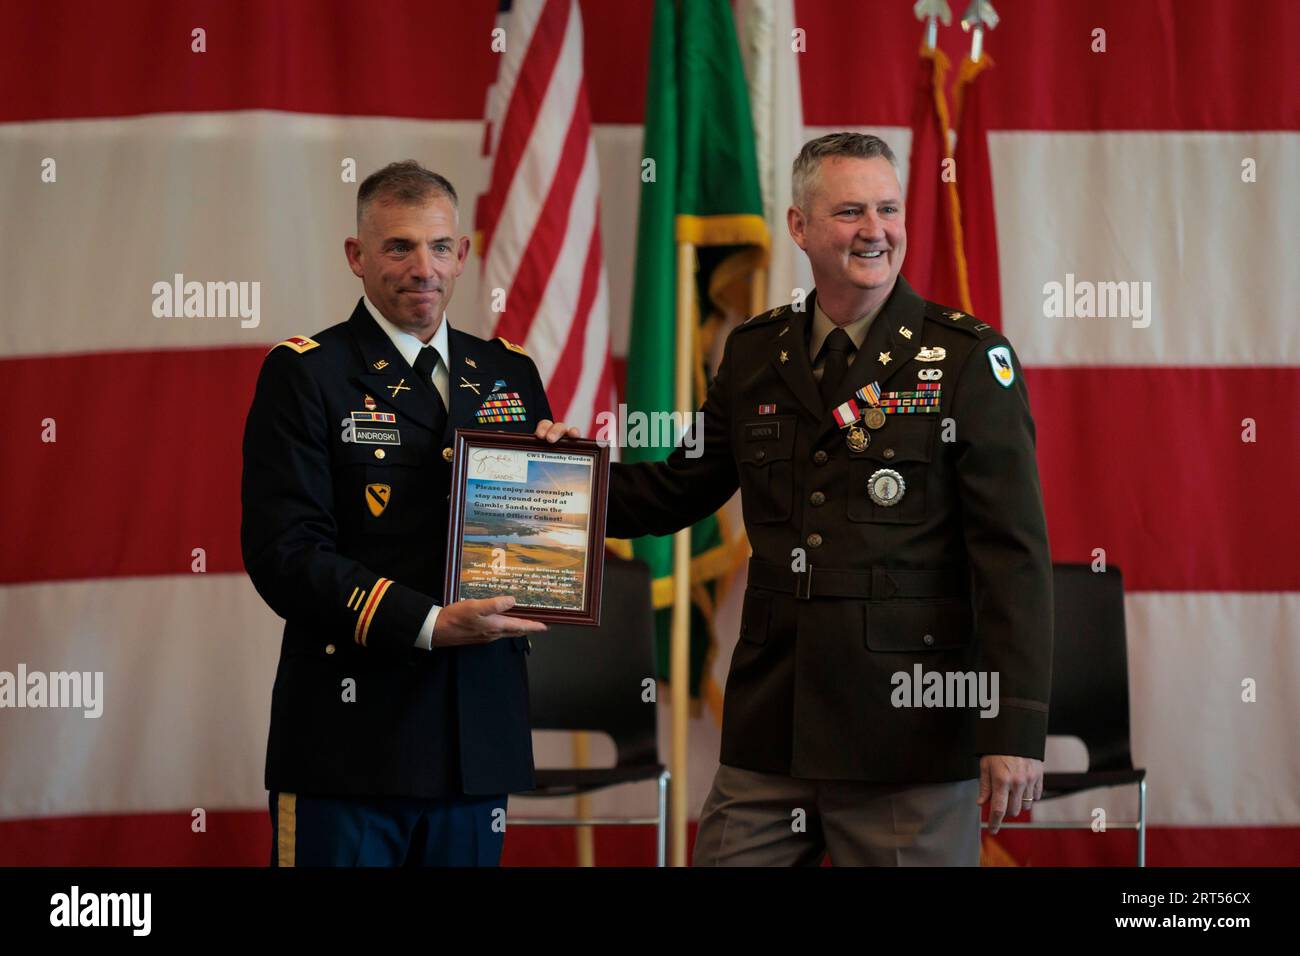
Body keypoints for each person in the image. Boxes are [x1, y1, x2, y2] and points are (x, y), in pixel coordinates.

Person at [598, 132, 1053, 865]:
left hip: (907, 735)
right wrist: (551, 483)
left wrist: (1013, 731)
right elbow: (672, 490)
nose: (875, 229)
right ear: (799, 227)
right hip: (772, 727)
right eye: (850, 211)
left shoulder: (969, 359)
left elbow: (1014, 560)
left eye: (887, 208)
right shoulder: (754, 353)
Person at [241, 161, 577, 866]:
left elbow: (535, 538)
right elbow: (286, 553)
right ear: (357, 257)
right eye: (398, 247)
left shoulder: (510, 373)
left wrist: (570, 486)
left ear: (462, 253)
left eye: (439, 246)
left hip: (476, 738)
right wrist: (424, 623)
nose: (423, 267)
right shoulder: (307, 374)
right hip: (350, 744)